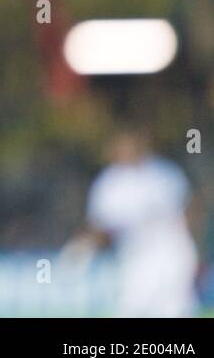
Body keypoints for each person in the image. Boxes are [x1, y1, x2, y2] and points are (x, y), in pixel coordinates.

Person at [69, 129, 199, 317]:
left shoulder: (164, 174)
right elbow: (100, 226)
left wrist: (195, 245)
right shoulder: (109, 184)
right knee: (132, 308)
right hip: (135, 258)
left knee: (175, 308)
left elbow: (189, 210)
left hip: (172, 252)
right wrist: (84, 246)